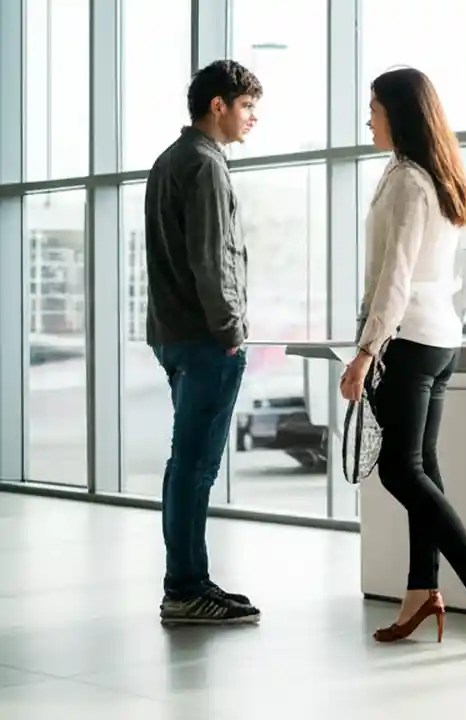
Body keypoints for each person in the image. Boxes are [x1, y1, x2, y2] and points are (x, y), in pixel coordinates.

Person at [339, 67, 466, 656]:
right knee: (422, 467)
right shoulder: (432, 177)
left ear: (400, 112)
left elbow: (394, 277)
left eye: (374, 107)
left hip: (409, 342)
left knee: (400, 471)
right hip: (438, 337)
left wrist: (366, 351)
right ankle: (422, 591)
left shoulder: (406, 183)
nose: (367, 117)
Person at [145, 60, 262, 625]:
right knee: (194, 468)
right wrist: (231, 331)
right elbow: (212, 259)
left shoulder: (168, 160)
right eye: (246, 106)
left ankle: (189, 580)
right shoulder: (206, 166)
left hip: (174, 336)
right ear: (218, 105)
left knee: (184, 464)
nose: (252, 118)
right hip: (205, 339)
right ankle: (185, 587)